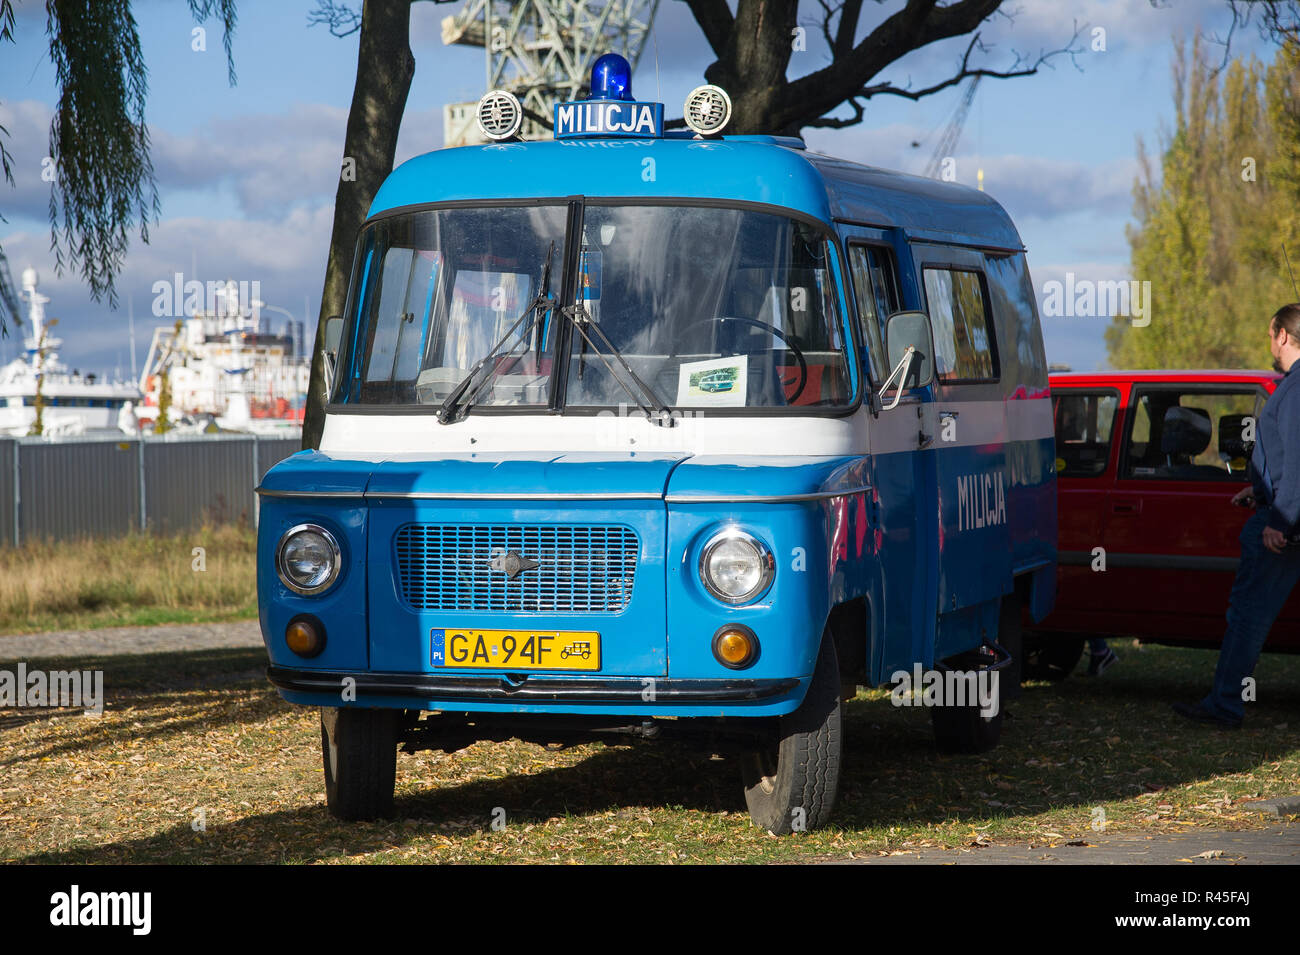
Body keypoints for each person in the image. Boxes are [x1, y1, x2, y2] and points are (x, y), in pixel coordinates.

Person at [1174, 303, 1300, 728]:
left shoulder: (1297, 387)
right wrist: (1261, 487)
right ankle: (1224, 700)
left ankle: (1225, 704)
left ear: (1283, 335)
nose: (1270, 343)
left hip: (1284, 529)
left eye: (1270, 335)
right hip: (1280, 511)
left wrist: (1279, 519)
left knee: (1247, 615)